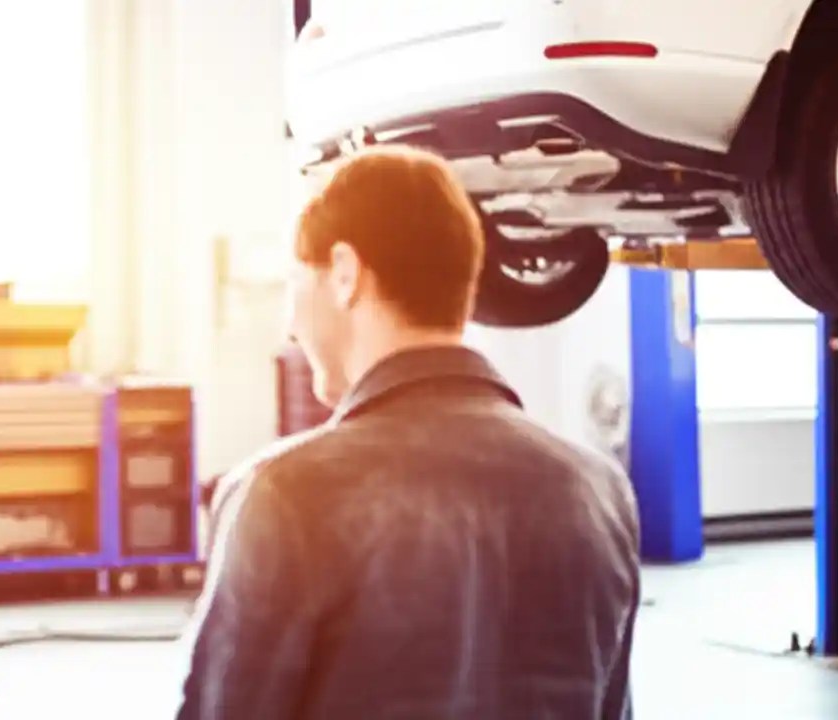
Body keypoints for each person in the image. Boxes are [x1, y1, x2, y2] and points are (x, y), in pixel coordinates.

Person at [176, 144, 640, 719]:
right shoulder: (598, 489)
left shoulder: (284, 495)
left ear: (345, 274)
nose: (290, 322)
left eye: (297, 282)